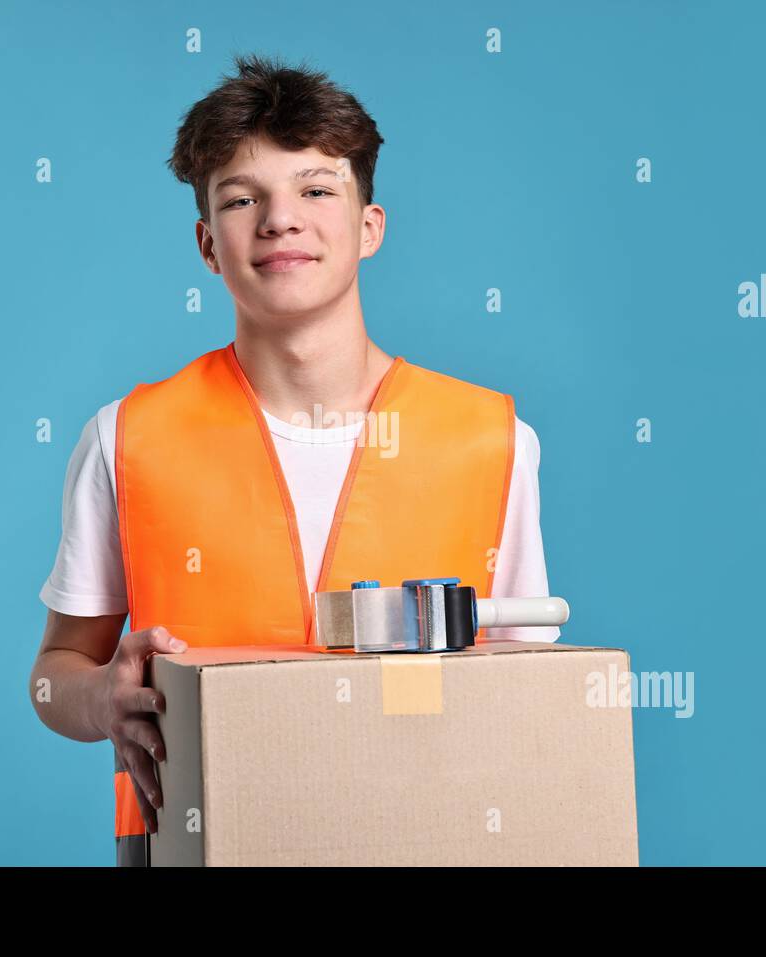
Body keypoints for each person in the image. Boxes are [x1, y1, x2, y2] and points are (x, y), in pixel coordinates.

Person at [28, 53, 559, 865]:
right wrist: (100, 698)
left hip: (429, 838)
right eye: (242, 199)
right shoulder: (129, 437)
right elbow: (56, 671)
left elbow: (530, 692)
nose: (280, 219)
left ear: (369, 226)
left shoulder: (490, 438)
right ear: (208, 244)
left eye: (316, 190)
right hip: (192, 844)